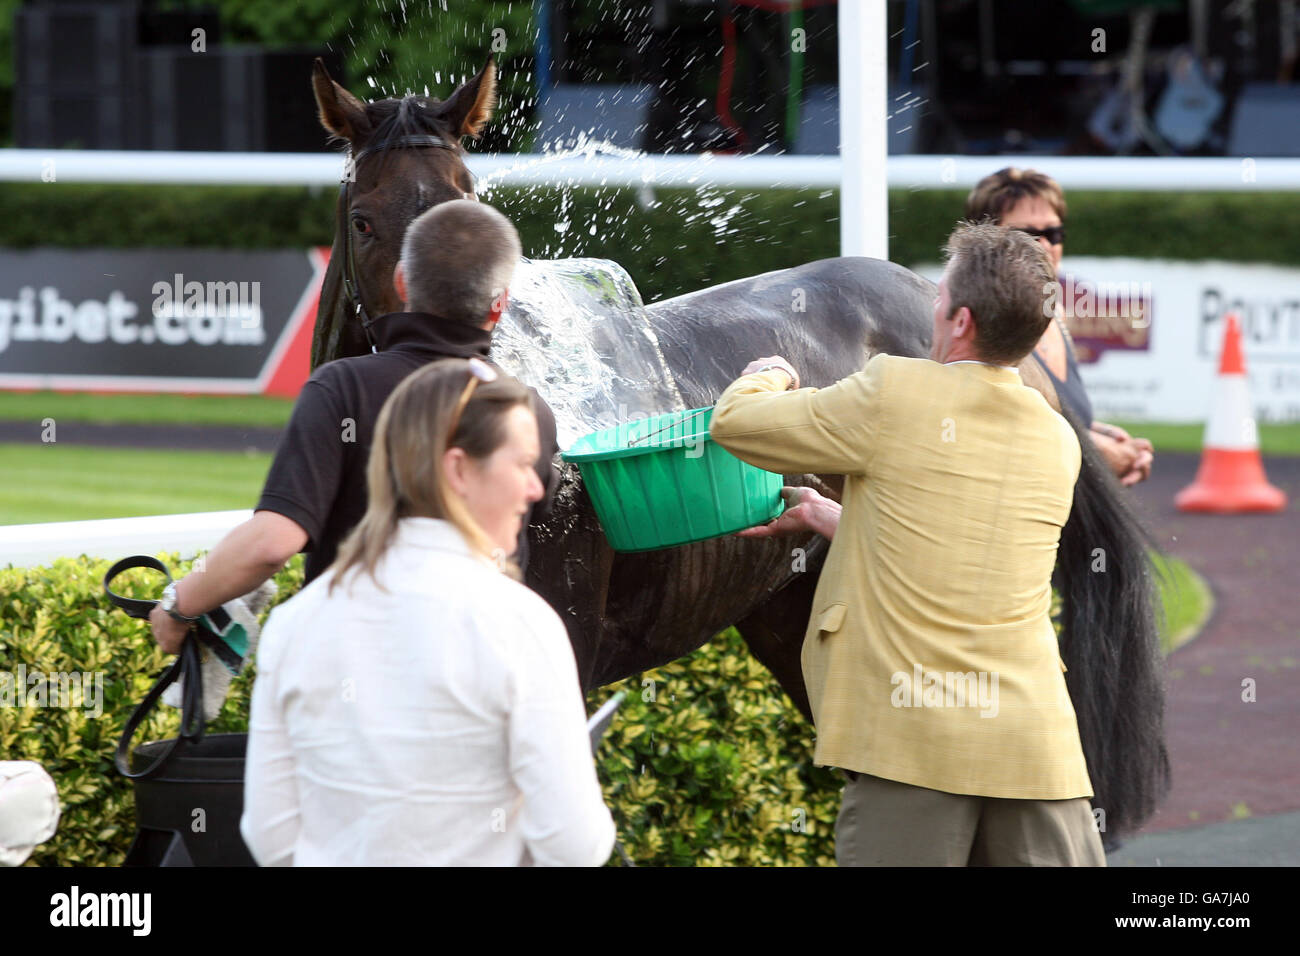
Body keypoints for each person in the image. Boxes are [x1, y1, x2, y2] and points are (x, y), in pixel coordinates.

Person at [710, 222, 1104, 867]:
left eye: (939, 296)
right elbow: (962, 546)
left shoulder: (896, 391)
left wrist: (768, 373)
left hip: (913, 744)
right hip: (1036, 750)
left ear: (960, 321)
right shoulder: (1054, 436)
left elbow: (738, 426)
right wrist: (839, 519)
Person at [240, 358, 615, 866]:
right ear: (458, 469)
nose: (535, 488)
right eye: (524, 464)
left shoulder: (294, 623)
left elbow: (271, 837)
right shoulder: (520, 623)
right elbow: (574, 847)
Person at [150, 199, 558, 655]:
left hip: (347, 670)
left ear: (402, 281)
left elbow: (272, 542)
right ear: (499, 304)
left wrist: (178, 604)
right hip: (484, 664)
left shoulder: (341, 387)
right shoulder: (532, 413)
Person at [966, 166, 1154, 487]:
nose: (1045, 245)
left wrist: (1106, 437)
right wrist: (1095, 452)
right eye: (1027, 235)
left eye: (1053, 234)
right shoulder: (973, 321)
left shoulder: (1054, 313)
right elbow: (989, 428)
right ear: (985, 239)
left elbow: (1053, 414)